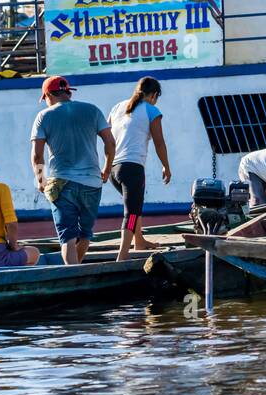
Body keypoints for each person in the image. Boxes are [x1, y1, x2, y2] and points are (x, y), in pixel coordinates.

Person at [30, 76, 115, 265]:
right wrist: (107, 169)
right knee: (85, 235)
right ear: (68, 92)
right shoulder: (92, 110)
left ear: (48, 95)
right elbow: (110, 142)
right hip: (92, 183)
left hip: (61, 183)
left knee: (67, 237)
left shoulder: (44, 116)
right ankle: (76, 272)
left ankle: (72, 275)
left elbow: (37, 155)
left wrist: (41, 179)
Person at [107, 76, 171, 261]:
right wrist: (166, 166)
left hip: (114, 169)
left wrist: (105, 166)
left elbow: (108, 139)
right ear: (154, 95)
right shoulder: (152, 110)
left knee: (135, 204)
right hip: (131, 168)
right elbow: (159, 143)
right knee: (132, 213)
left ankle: (139, 241)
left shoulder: (117, 107)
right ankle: (122, 257)